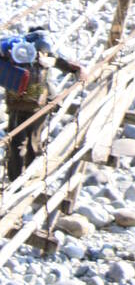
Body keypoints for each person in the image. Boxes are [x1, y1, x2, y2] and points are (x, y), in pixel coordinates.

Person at [2, 29, 85, 182]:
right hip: (23, 108)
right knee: (18, 144)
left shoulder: (44, 57)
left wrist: (77, 69)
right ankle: (16, 180)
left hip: (36, 108)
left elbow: (62, 63)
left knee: (29, 143)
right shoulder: (14, 55)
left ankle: (27, 175)